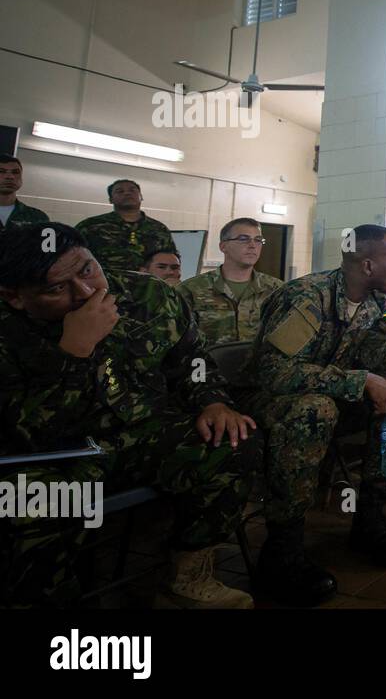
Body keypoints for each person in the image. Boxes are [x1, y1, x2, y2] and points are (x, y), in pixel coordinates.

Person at [0, 222, 256, 608]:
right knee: (26, 500)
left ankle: (187, 577)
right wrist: (73, 351)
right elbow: (24, 433)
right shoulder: (7, 329)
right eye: (56, 288)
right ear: (14, 296)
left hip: (139, 436)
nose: (86, 293)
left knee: (232, 441)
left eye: (87, 270)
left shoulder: (147, 295)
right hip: (56, 455)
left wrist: (212, 401)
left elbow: (191, 360)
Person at [247, 225, 386, 606]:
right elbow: (275, 373)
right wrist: (362, 381)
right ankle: (282, 551)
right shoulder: (308, 298)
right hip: (277, 402)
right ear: (368, 264)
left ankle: (371, 516)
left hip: (330, 395)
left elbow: (382, 360)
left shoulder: (378, 303)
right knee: (314, 409)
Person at [177, 217, 285, 346]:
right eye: (243, 239)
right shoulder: (190, 290)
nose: (252, 245)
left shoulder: (277, 290)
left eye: (258, 240)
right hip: (208, 365)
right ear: (223, 246)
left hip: (259, 365)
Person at [75, 179, 175, 273]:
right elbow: (72, 258)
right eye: (120, 191)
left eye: (132, 190)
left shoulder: (158, 229)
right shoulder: (90, 226)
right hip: (104, 287)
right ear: (110, 199)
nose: (127, 193)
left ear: (141, 196)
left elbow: (172, 261)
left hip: (148, 287)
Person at [0, 153, 49, 245]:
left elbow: (49, 252)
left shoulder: (39, 217)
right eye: (1, 171)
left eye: (15, 172)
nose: (10, 177)